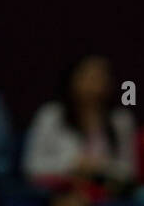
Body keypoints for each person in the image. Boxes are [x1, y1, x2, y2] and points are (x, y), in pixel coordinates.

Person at [23, 55, 136, 192]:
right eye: (89, 77)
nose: (95, 84)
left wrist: (101, 167)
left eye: (101, 77)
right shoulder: (51, 115)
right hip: (58, 192)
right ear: (72, 80)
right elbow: (32, 166)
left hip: (106, 192)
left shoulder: (121, 119)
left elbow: (129, 171)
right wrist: (73, 165)